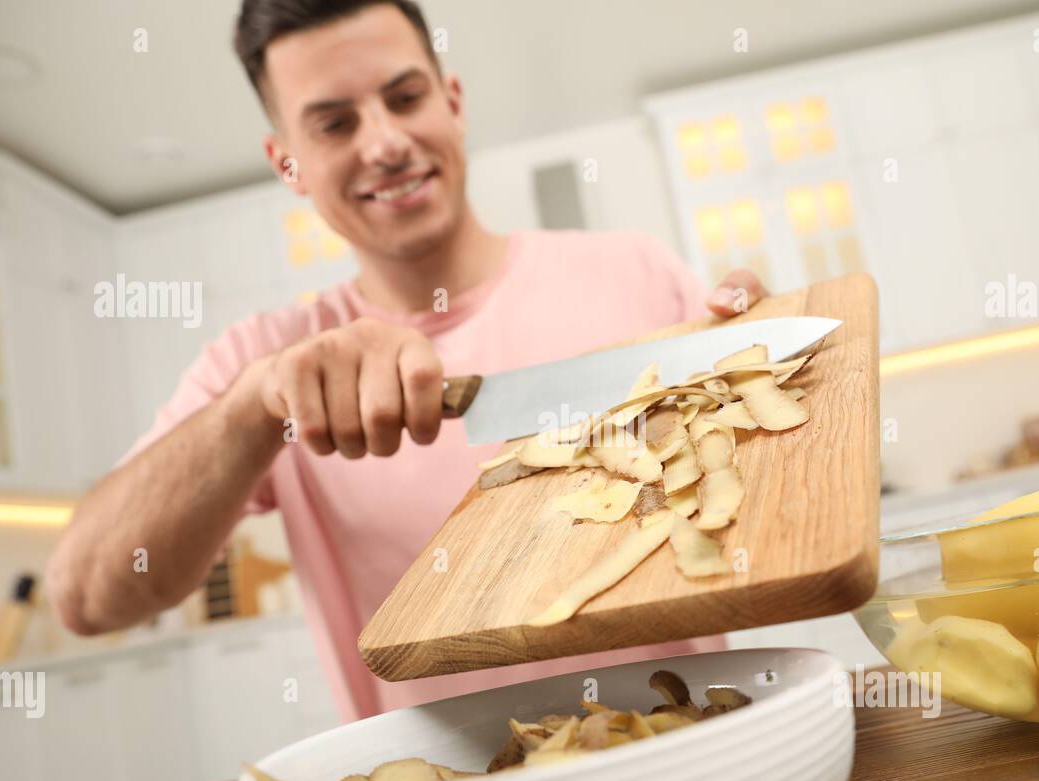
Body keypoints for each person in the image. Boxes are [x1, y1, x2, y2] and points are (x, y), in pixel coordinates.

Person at [47, 0, 768, 722]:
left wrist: (760, 381)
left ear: (451, 102)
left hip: (698, 757)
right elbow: (86, 598)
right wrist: (255, 403)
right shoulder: (260, 367)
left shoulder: (637, 271)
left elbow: (762, 518)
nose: (386, 143)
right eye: (335, 123)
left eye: (405, 98)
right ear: (287, 162)